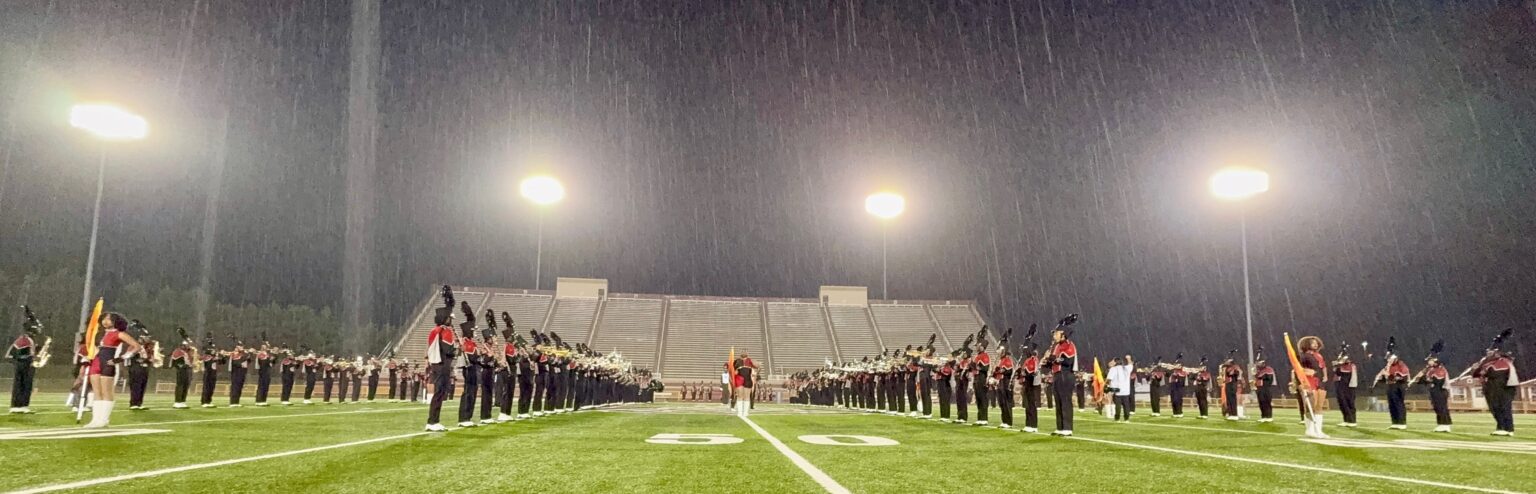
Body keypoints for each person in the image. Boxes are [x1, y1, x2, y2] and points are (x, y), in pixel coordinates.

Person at [85, 312, 143, 429]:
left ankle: (104, 419)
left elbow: (137, 346)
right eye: (104, 319)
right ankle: (95, 420)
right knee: (97, 392)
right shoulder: (99, 333)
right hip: (95, 363)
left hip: (108, 364)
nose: (105, 321)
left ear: (116, 321)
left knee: (106, 392)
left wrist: (120, 359)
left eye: (109, 319)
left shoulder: (119, 334)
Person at [424, 302, 457, 432]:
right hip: (442, 365)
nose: (450, 321)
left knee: (440, 393)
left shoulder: (436, 330)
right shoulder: (444, 331)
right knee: (439, 392)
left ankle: (434, 420)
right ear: (445, 319)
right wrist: (457, 349)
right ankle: (432, 421)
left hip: (437, 364)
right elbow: (448, 350)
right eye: (449, 318)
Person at [1471, 349, 1518, 436]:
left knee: (1503, 407)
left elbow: (1495, 373)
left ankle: (1506, 428)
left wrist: (1483, 368)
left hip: (1503, 388)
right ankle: (1501, 427)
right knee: (1494, 408)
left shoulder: (1503, 362)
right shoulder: (1488, 364)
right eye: (1487, 352)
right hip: (1492, 388)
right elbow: (1476, 374)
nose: (1488, 354)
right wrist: (1477, 367)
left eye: (1490, 352)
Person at [8, 310, 41, 414]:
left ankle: (18, 405)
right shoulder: (27, 339)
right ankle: (21, 405)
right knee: (24, 384)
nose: (38, 330)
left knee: (21, 384)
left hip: (21, 364)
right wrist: (32, 360)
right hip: (24, 364)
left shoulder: (26, 339)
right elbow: (18, 353)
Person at [1045, 327, 1077, 436]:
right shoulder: (1057, 347)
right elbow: (1052, 364)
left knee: (1065, 401)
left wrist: (1053, 358)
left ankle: (1067, 428)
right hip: (1057, 375)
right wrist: (1047, 361)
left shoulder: (1069, 345)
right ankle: (1060, 427)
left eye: (1056, 334)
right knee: (1058, 402)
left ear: (1063, 335)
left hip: (1066, 375)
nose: (1054, 336)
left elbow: (1068, 361)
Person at [1297, 336, 1330, 439]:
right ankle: (1310, 430)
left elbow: (1323, 367)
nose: (1315, 344)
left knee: (1319, 406)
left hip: (1319, 381)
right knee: (1311, 406)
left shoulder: (1319, 355)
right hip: (1309, 381)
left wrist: (1325, 376)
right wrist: (1305, 375)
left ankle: (1318, 430)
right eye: (1312, 343)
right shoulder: (1304, 356)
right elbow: (1297, 369)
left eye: (1316, 342)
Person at [1375, 352, 1411, 430]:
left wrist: (1391, 376)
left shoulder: (1401, 365)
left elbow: (1403, 376)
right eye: (1388, 359)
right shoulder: (1388, 366)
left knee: (1399, 404)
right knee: (1391, 404)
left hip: (1399, 386)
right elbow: (1384, 377)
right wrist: (1380, 378)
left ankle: (1402, 423)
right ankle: (1395, 422)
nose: (1388, 361)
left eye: (1390, 359)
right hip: (1390, 386)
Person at [1418, 356, 1452, 433]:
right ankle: (1441, 424)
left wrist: (1427, 379)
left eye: (1430, 361)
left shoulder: (1440, 369)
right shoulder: (1431, 370)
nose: (1428, 362)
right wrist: (1421, 376)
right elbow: (1422, 382)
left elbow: (1438, 381)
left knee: (1441, 407)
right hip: (1434, 391)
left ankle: (1445, 425)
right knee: (1437, 407)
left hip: (1441, 390)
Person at [125, 325, 153, 410]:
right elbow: (128, 357)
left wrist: (149, 359)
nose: (148, 339)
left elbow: (148, 358)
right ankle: (133, 403)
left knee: (142, 385)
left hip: (144, 368)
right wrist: (137, 359)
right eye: (146, 338)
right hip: (135, 368)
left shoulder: (147, 348)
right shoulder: (133, 346)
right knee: (135, 385)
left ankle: (139, 403)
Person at [1331, 346, 1358, 428]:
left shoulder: (1350, 366)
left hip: (1348, 385)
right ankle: (1346, 420)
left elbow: (1342, 373)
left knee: (1349, 402)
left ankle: (1352, 420)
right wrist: (1337, 365)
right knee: (1342, 402)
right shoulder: (1340, 365)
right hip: (1340, 384)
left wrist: (1338, 365)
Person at [169, 332, 196, 409]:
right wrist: (183, 366)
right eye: (187, 345)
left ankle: (182, 401)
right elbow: (175, 362)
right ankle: (177, 401)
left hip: (187, 370)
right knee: (180, 385)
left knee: (186, 385)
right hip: (181, 370)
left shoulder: (188, 352)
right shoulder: (178, 351)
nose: (188, 346)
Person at [1018, 343, 1041, 433]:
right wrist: (1020, 373)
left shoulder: (1034, 359)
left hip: (1032, 385)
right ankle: (1028, 424)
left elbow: (1033, 373)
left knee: (1031, 405)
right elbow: (1024, 372)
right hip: (1027, 384)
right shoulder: (1027, 360)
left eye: (1026, 350)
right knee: (1027, 405)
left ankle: (1033, 425)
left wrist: (1025, 374)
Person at [1252, 353, 1277, 423]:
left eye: (1259, 363)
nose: (1258, 364)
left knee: (1267, 402)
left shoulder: (1268, 369)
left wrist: (1259, 376)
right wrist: (1255, 373)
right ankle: (1263, 416)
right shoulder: (1258, 370)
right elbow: (1256, 377)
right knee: (1261, 402)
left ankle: (1269, 416)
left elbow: (1268, 378)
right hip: (1259, 388)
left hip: (1266, 388)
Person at [1106, 357, 1133, 422]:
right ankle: (1126, 419)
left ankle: (1117, 418)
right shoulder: (1126, 368)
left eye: (1113, 361)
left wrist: (1107, 386)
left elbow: (1109, 379)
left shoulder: (1113, 369)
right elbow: (1131, 365)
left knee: (1118, 405)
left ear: (1116, 362)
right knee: (1126, 405)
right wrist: (1129, 358)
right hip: (1126, 390)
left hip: (1117, 390)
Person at [994, 347, 1015, 429]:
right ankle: (1004, 421)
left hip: (1006, 383)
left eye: (999, 351)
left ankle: (1009, 422)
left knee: (1007, 402)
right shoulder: (1000, 360)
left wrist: (1002, 371)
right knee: (1002, 403)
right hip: (1000, 383)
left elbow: (1009, 371)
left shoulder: (1007, 360)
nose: (998, 353)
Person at [199, 339, 223, 408]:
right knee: (206, 387)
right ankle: (204, 401)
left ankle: (209, 401)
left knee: (212, 387)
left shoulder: (214, 357)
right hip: (208, 373)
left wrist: (223, 356)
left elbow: (222, 362)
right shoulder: (206, 357)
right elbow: (205, 359)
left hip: (213, 373)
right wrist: (214, 357)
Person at [1220, 355, 1243, 420]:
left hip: (1232, 384)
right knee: (1229, 399)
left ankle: (1234, 414)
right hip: (1228, 384)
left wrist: (1232, 370)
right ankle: (1230, 414)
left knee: (1232, 399)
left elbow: (1233, 374)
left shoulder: (1235, 367)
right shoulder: (1227, 368)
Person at [734, 353, 757, 417]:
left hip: (747, 380)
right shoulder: (737, 361)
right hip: (740, 380)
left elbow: (755, 369)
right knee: (741, 396)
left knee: (745, 396)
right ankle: (740, 412)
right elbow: (735, 372)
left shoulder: (750, 361)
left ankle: (745, 412)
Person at [228, 340, 249, 407]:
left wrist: (247, 354)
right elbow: (235, 363)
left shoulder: (243, 354)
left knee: (240, 387)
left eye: (242, 346)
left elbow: (249, 360)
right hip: (236, 373)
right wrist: (241, 362)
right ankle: (233, 402)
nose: (241, 348)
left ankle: (237, 401)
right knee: (235, 387)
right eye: (240, 346)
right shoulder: (234, 354)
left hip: (242, 372)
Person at [254, 340, 275, 406]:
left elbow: (273, 362)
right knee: (262, 385)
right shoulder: (261, 354)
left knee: (266, 386)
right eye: (265, 346)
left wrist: (274, 356)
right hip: (263, 371)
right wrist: (270, 359)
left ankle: (263, 400)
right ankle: (259, 400)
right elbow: (263, 363)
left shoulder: (268, 354)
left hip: (267, 371)